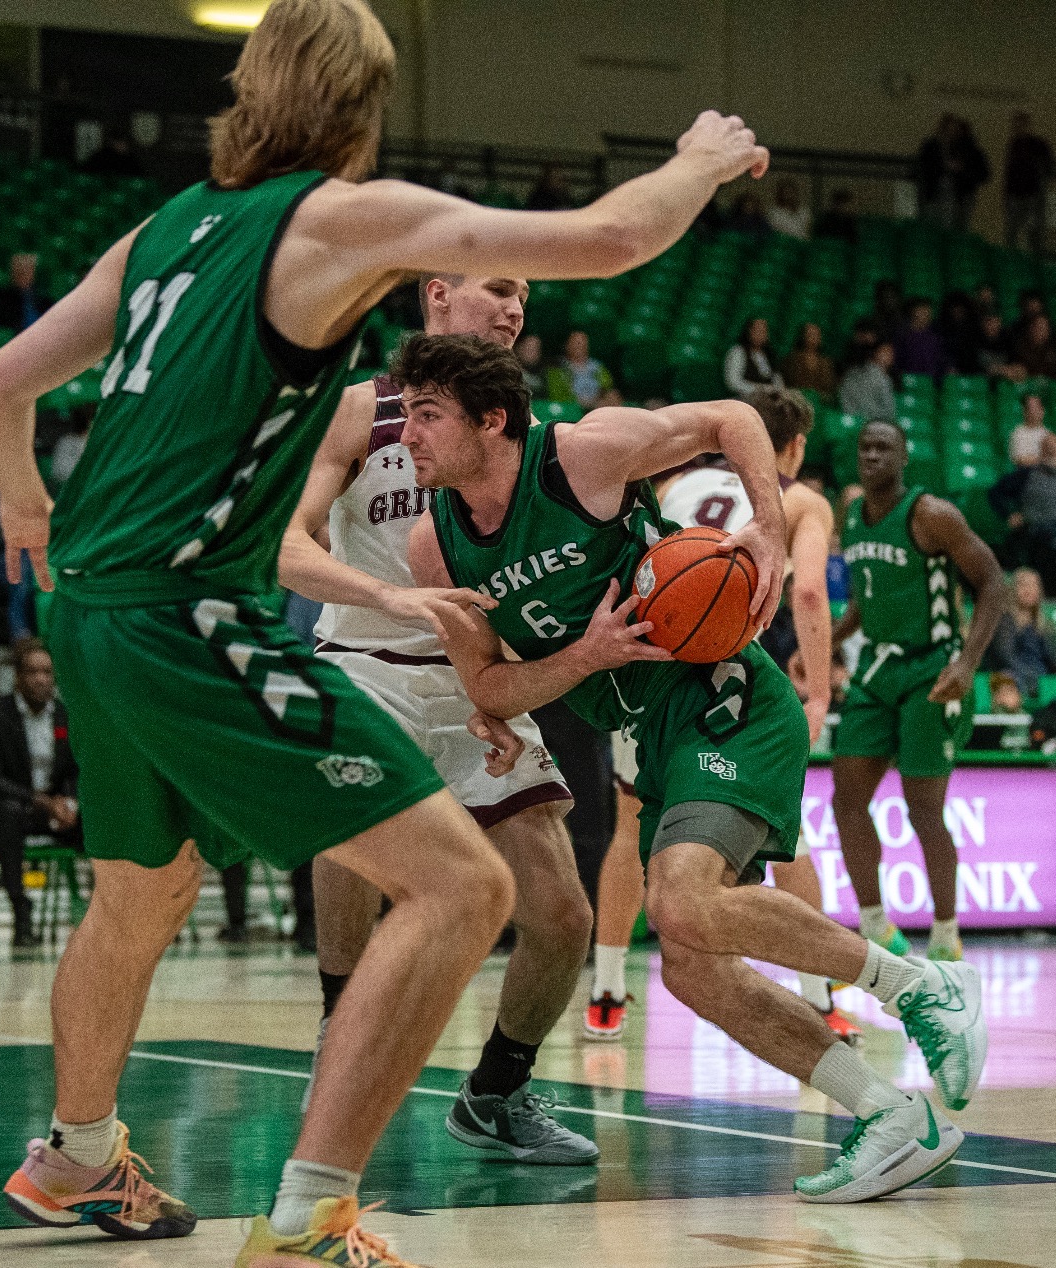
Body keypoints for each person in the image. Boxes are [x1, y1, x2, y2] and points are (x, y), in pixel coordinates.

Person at [0, 0, 776, 1251]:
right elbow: (612, 238)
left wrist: (25, 498)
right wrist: (705, 159)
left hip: (91, 608)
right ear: (358, 107)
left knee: (142, 887)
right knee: (460, 884)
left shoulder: (165, 230)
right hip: (190, 609)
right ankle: (309, 1217)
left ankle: (78, 1155)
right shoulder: (333, 217)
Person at [402, 334, 985, 1205]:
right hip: (646, 731)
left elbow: (731, 416)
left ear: (491, 422)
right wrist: (587, 656)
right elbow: (486, 679)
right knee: (688, 963)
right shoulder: (433, 548)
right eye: (405, 413)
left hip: (727, 698)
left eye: (427, 414)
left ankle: (923, 987)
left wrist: (769, 530)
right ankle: (891, 1116)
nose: (406, 434)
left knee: (681, 901)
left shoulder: (581, 456)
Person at [280, 272, 592, 1162]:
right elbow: (286, 544)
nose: (515, 308)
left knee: (562, 914)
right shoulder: (359, 412)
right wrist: (392, 596)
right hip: (367, 657)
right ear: (438, 293)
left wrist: (524, 672)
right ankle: (339, 1033)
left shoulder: (527, 427)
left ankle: (497, 1092)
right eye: (497, 288)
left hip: (479, 677)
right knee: (350, 824)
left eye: (525, 295)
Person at [616, 385, 856, 1045]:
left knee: (627, 826)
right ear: (796, 445)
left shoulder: (677, 486)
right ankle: (821, 996)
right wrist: (818, 692)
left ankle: (606, 991)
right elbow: (808, 591)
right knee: (787, 836)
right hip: (732, 674)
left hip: (650, 668)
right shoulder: (801, 498)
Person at [832, 418, 1006, 965]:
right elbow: (866, 597)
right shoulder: (853, 517)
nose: (872, 456)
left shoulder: (931, 514)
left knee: (923, 809)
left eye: (884, 448)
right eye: (865, 447)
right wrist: (823, 643)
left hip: (933, 671)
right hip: (878, 670)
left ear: (904, 458)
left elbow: (994, 583)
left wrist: (967, 662)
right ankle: (875, 925)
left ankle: (947, 931)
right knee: (845, 798)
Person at [0, 639, 79, 949]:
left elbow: (75, 769)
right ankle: (21, 909)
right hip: (4, 808)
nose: (41, 679)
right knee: (9, 813)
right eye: (33, 672)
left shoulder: (64, 715)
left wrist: (70, 801)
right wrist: (42, 802)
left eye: (47, 672)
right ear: (18, 676)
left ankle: (106, 908)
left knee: (103, 814)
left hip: (55, 809)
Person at [988, 433, 1056, 596]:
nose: (1052, 452)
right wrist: (1010, 513)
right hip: (1038, 531)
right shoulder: (1027, 474)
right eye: (1048, 448)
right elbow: (995, 493)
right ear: (1041, 452)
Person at [985, 567, 1056, 699]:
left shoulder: (1043, 624)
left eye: (1034, 585)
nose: (1029, 590)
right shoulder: (1004, 620)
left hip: (1041, 675)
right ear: (1013, 589)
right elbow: (1006, 656)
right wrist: (1032, 675)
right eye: (1023, 585)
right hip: (1015, 675)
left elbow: (1053, 659)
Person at [1002, 112, 1053, 253]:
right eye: (1016, 126)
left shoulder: (1039, 145)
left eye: (1022, 125)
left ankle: (1035, 259)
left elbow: (1048, 167)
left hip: (1032, 194)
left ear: (1028, 126)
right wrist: (1006, 194)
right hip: (1014, 194)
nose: (1019, 129)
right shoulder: (1013, 145)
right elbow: (1009, 172)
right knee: (1012, 230)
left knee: (1034, 230)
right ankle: (1011, 258)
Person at [0, 252, 52, 332]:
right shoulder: (0, 297)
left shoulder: (43, 298)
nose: (23, 274)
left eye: (27, 270)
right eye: (19, 270)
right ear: (12, 272)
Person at [546, 329, 617, 409]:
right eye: (576, 343)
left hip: (598, 405)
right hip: (573, 408)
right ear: (567, 345)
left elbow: (607, 386)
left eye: (582, 343)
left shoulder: (597, 366)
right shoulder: (557, 368)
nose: (579, 346)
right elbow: (558, 397)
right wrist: (586, 403)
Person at [968, 672, 1031, 752]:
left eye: (1011, 691)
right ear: (995, 697)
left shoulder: (1030, 720)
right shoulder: (987, 725)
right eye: (1003, 693)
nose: (1008, 696)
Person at [724, 316, 783, 398]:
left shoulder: (769, 355)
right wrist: (759, 389)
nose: (761, 334)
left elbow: (778, 382)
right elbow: (733, 383)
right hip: (744, 400)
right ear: (749, 331)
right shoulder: (738, 351)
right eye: (757, 330)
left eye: (764, 331)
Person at [838, 339, 896, 421]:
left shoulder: (884, 378)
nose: (890, 356)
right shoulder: (881, 379)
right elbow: (889, 413)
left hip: (854, 422)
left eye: (891, 353)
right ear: (875, 353)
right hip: (870, 425)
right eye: (885, 351)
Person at [891, 297, 947, 379]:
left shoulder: (936, 335)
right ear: (914, 312)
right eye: (923, 311)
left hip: (932, 381)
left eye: (929, 311)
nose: (927, 314)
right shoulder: (903, 335)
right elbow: (896, 359)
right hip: (909, 379)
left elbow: (942, 358)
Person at [780, 322, 837, 398]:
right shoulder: (793, 359)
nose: (813, 337)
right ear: (803, 336)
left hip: (820, 402)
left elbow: (829, 386)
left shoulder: (825, 362)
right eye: (810, 334)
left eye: (816, 335)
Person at [1009, 312, 1056, 380]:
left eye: (1044, 328)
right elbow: (1017, 370)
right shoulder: (1019, 347)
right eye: (1038, 327)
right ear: (1031, 328)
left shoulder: (1054, 349)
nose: (1041, 331)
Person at [1008, 392, 1049, 466]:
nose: (1035, 411)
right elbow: (1021, 460)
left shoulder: (1047, 434)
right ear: (1025, 411)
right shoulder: (1018, 433)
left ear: (1043, 411)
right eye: (1031, 408)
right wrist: (1045, 460)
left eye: (1037, 407)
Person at [515, 332, 545, 397]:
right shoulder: (510, 372)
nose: (532, 353)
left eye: (535, 349)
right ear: (519, 348)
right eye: (528, 348)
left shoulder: (546, 375)